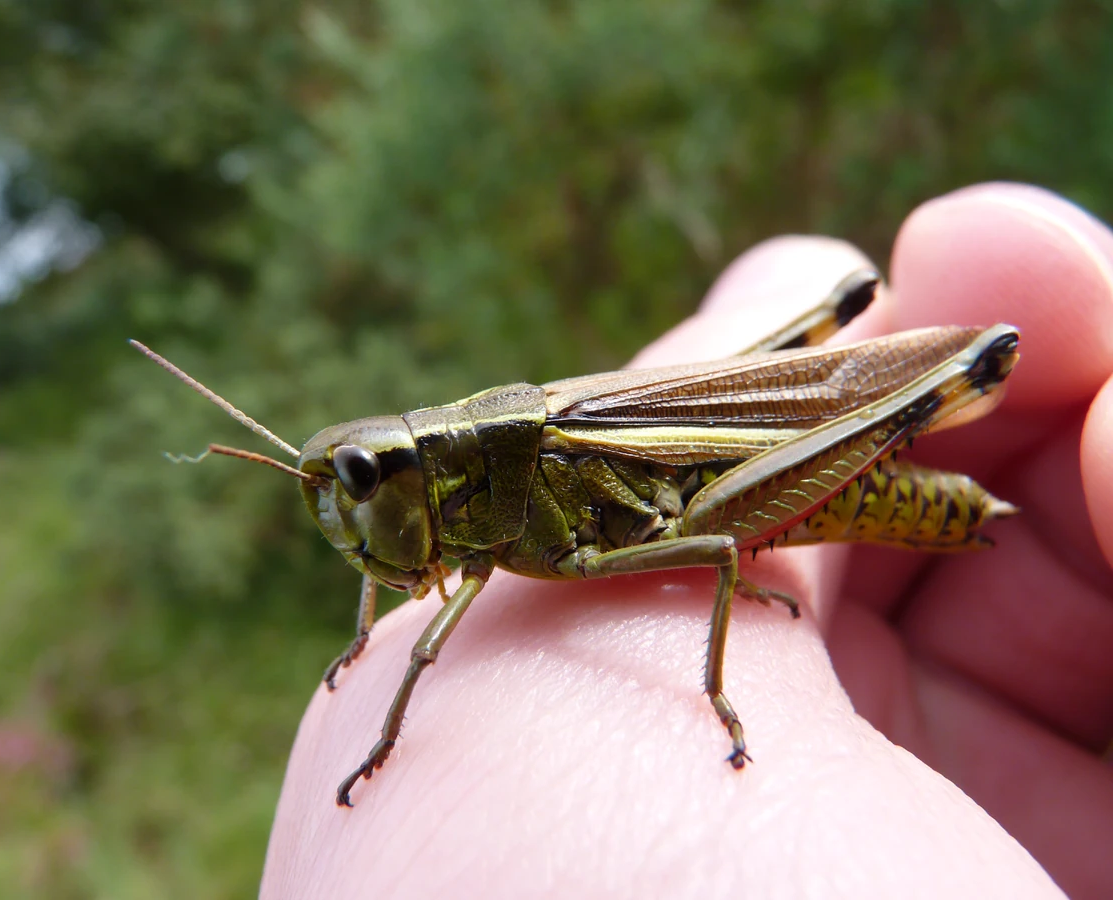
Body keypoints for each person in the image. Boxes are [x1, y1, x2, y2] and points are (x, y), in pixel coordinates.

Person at [260, 184, 1113, 900]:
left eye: (367, 480)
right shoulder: (454, 505)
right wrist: (365, 635)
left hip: (751, 482)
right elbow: (396, 563)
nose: (359, 516)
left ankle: (936, 389)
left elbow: (711, 548)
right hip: (732, 488)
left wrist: (716, 699)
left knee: (712, 547)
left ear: (435, 464)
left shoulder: (511, 465)